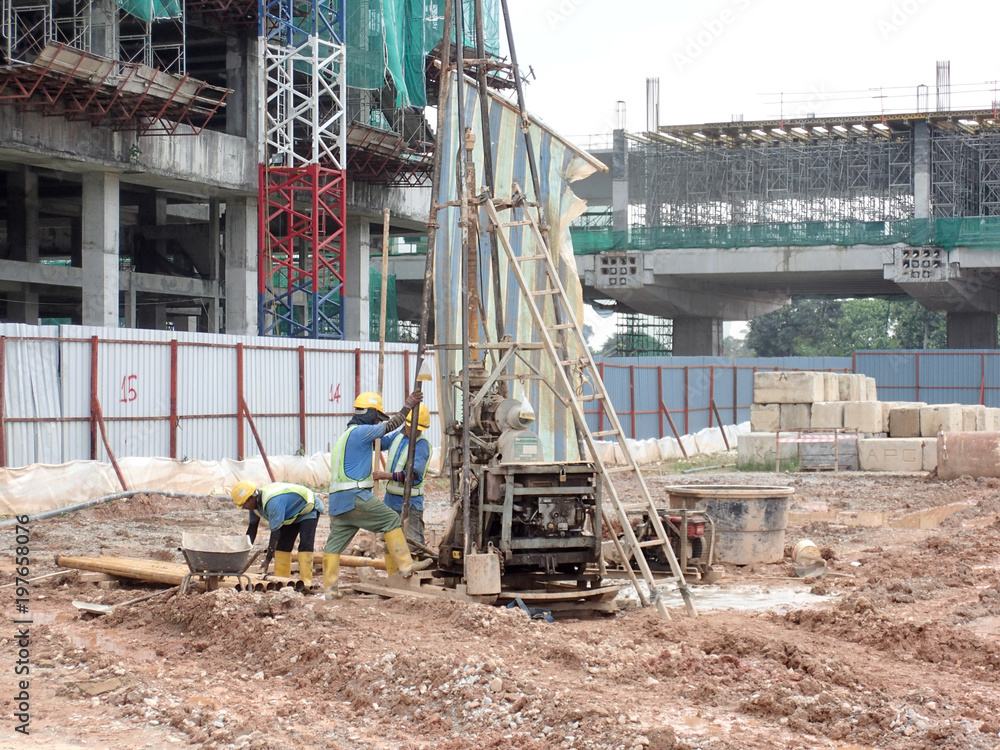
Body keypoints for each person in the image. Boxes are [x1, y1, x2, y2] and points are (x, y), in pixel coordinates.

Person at [323, 390, 432, 599]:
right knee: (391, 520)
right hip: (355, 496)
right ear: (369, 414)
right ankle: (407, 566)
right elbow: (390, 426)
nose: (376, 422)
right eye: (375, 417)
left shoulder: (346, 436)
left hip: (338, 501)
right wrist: (408, 405)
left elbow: (384, 441)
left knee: (333, 546)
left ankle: (330, 591)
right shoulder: (361, 431)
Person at [231, 481, 325, 588]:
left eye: (243, 504)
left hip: (307, 508)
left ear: (252, 498)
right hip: (289, 513)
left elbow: (275, 533)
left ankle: (306, 583)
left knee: (305, 544)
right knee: (282, 547)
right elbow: (252, 530)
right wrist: (242, 555)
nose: (243, 507)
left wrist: (267, 559)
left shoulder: (272, 502)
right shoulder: (254, 507)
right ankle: (282, 581)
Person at [374, 402, 431, 546]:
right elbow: (378, 443)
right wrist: (374, 430)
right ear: (406, 423)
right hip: (391, 501)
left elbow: (413, 475)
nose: (416, 431)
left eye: (419, 429)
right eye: (413, 428)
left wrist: (386, 476)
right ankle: (393, 568)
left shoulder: (421, 445)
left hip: (410, 503)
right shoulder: (397, 437)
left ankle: (414, 567)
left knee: (413, 544)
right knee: (389, 541)